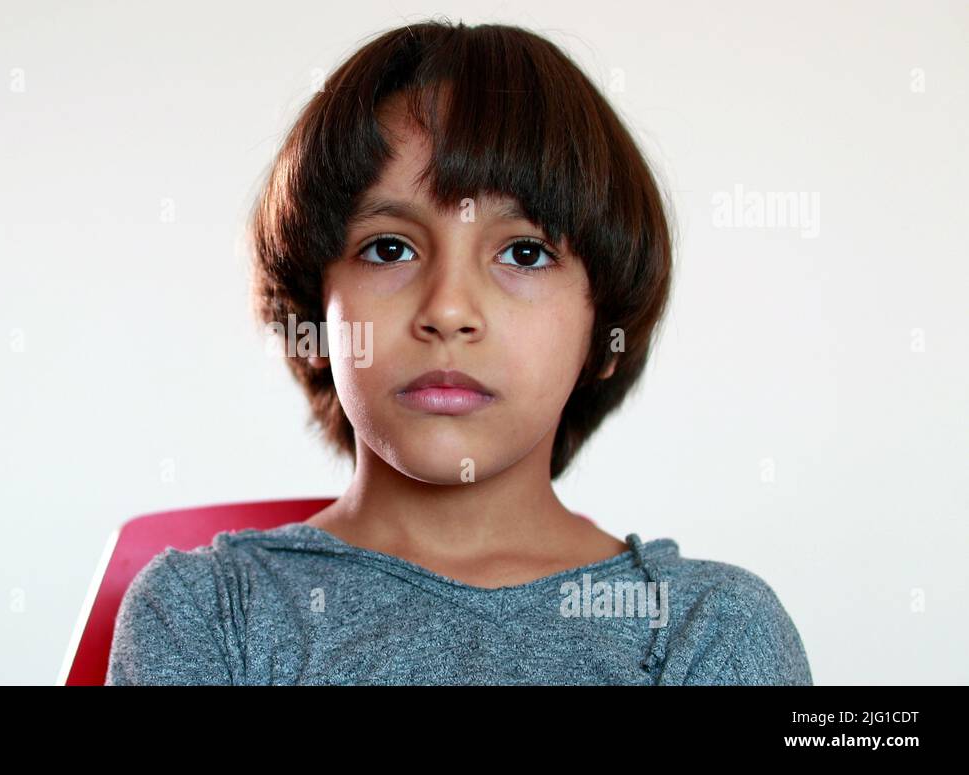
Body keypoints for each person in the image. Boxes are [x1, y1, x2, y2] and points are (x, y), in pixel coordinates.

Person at [105, 19, 812, 685]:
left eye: (524, 252)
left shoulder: (707, 628)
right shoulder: (205, 612)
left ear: (603, 333)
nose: (447, 309)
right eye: (389, 248)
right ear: (317, 312)